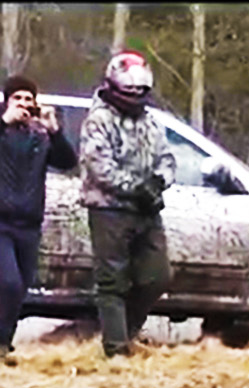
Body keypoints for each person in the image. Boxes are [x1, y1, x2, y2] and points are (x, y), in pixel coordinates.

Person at [78, 51, 173, 359]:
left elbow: (167, 159)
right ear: (112, 87)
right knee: (112, 281)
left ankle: (128, 330)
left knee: (157, 277)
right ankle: (116, 349)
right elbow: (100, 167)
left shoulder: (150, 122)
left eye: (140, 92)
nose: (135, 97)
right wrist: (136, 188)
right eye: (129, 91)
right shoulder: (98, 120)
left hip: (147, 210)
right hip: (109, 209)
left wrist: (159, 182)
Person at [0, 74, 75, 362]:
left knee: (20, 290)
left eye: (28, 99)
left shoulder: (39, 135)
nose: (23, 104)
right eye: (17, 98)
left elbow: (68, 162)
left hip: (29, 223)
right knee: (7, 283)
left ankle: (4, 344)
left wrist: (54, 130)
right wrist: (5, 120)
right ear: (7, 101)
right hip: (1, 222)